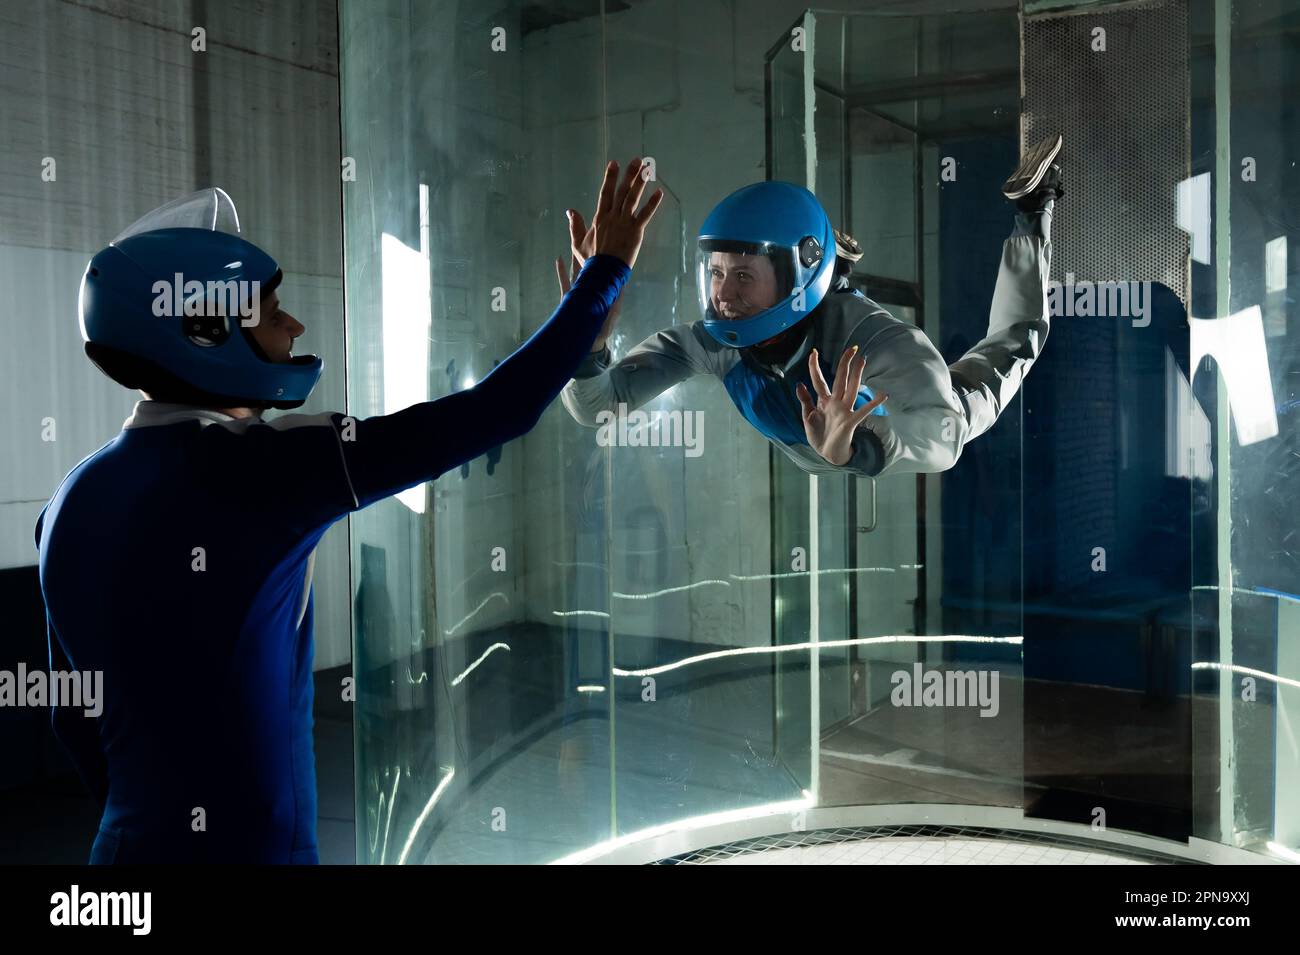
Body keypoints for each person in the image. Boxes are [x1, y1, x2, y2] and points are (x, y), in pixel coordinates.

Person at [35, 160, 663, 864]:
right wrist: (603, 273)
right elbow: (498, 410)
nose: (294, 324)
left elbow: (73, 719)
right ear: (204, 332)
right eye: (272, 313)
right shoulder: (270, 466)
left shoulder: (67, 500)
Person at [557, 137, 1064, 477]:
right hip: (816, 411)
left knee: (1016, 344)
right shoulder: (713, 343)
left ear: (793, 274)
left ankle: (1034, 207)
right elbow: (599, 407)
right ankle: (836, 272)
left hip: (890, 401)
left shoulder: (879, 342)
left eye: (742, 276)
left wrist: (857, 443)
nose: (722, 296)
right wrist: (587, 342)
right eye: (714, 272)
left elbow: (945, 436)